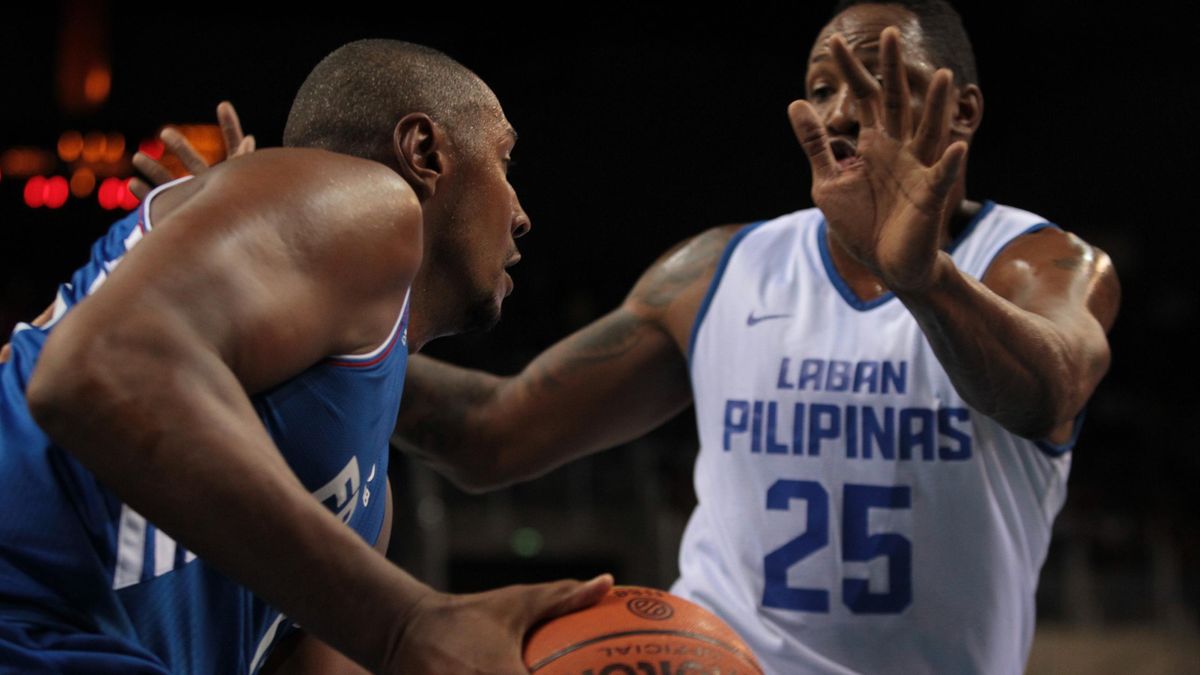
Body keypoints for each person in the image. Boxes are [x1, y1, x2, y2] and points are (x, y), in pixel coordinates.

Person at [392, 2, 1120, 673]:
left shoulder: (1037, 263)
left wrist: (924, 278)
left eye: (877, 87)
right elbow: (492, 434)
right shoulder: (716, 273)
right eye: (823, 86)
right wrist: (335, 350)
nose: (839, 113)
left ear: (961, 110)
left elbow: (1048, 391)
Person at [0, 40, 610, 674]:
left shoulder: (367, 497)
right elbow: (89, 370)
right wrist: (408, 621)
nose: (521, 213)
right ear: (425, 153)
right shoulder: (371, 202)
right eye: (504, 161)